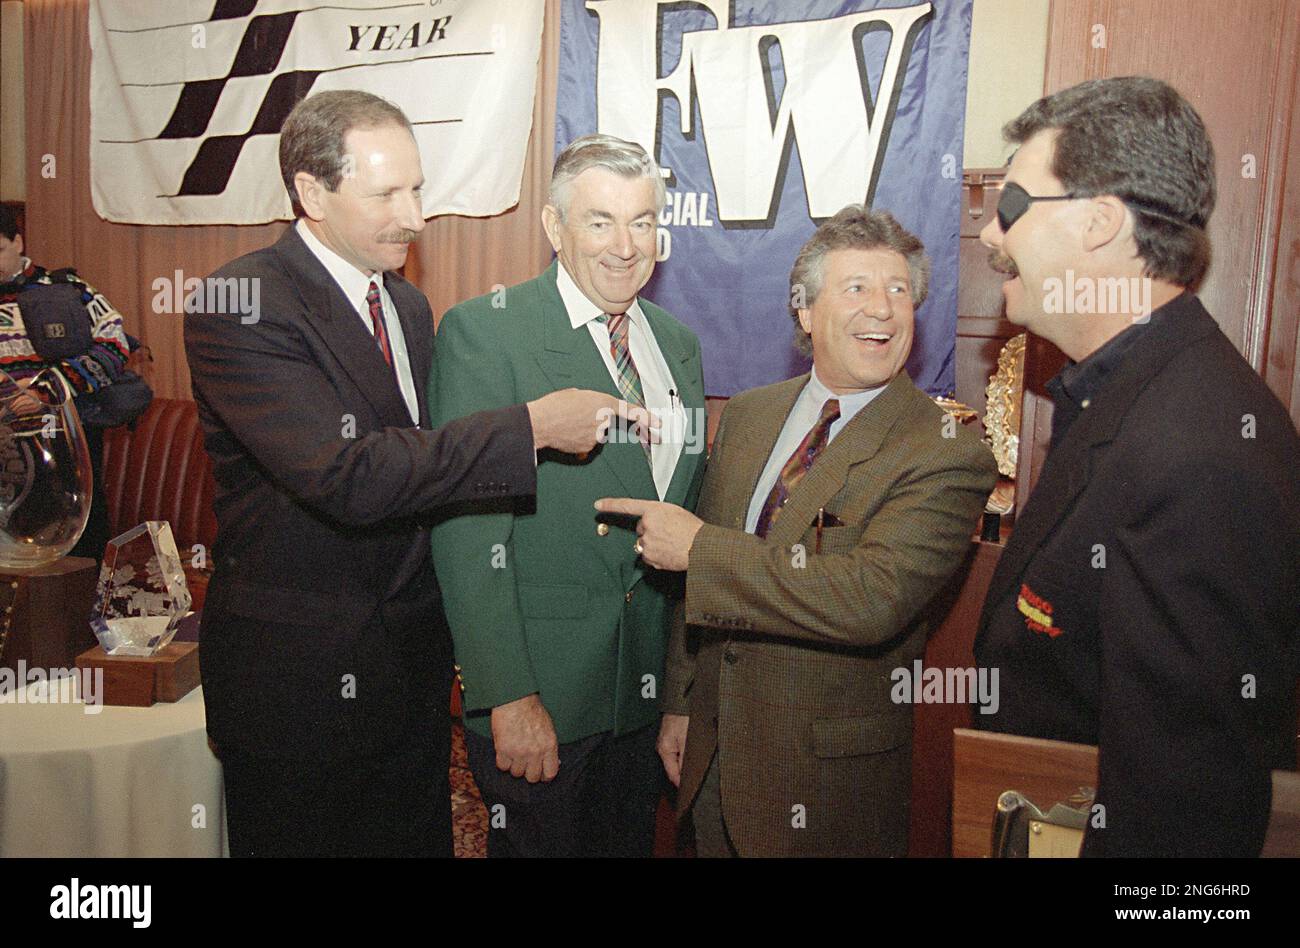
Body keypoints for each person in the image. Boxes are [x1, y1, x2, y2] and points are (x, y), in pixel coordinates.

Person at [183, 92, 652, 858]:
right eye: (387, 194)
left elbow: (428, 476)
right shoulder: (244, 303)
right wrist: (530, 427)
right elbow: (347, 475)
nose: (415, 216)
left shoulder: (404, 305)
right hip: (297, 688)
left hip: (406, 680)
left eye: (418, 189)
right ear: (311, 192)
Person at [598, 206, 998, 856]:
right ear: (806, 312)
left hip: (824, 788)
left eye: (899, 290)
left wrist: (698, 547)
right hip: (709, 762)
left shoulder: (945, 448)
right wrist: (680, 702)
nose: (883, 309)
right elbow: (694, 594)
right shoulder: (752, 415)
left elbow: (873, 596)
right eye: (858, 288)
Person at [972, 76, 1300, 857]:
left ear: (1101, 222)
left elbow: (1183, 820)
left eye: (1012, 207)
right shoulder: (1124, 393)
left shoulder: (1201, 451)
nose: (990, 234)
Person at [428, 134, 707, 857]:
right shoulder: (486, 332)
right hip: (543, 696)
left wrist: (677, 699)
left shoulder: (677, 344)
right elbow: (467, 535)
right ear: (554, 229)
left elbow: (682, 536)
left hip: (638, 702)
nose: (626, 245)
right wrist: (505, 695)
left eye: (643, 222)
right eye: (600, 221)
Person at [0, 204, 148, 560]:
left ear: (18, 241)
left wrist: (48, 389)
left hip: (65, 436)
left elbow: (115, 344)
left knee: (77, 544)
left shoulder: (67, 289)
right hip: (5, 444)